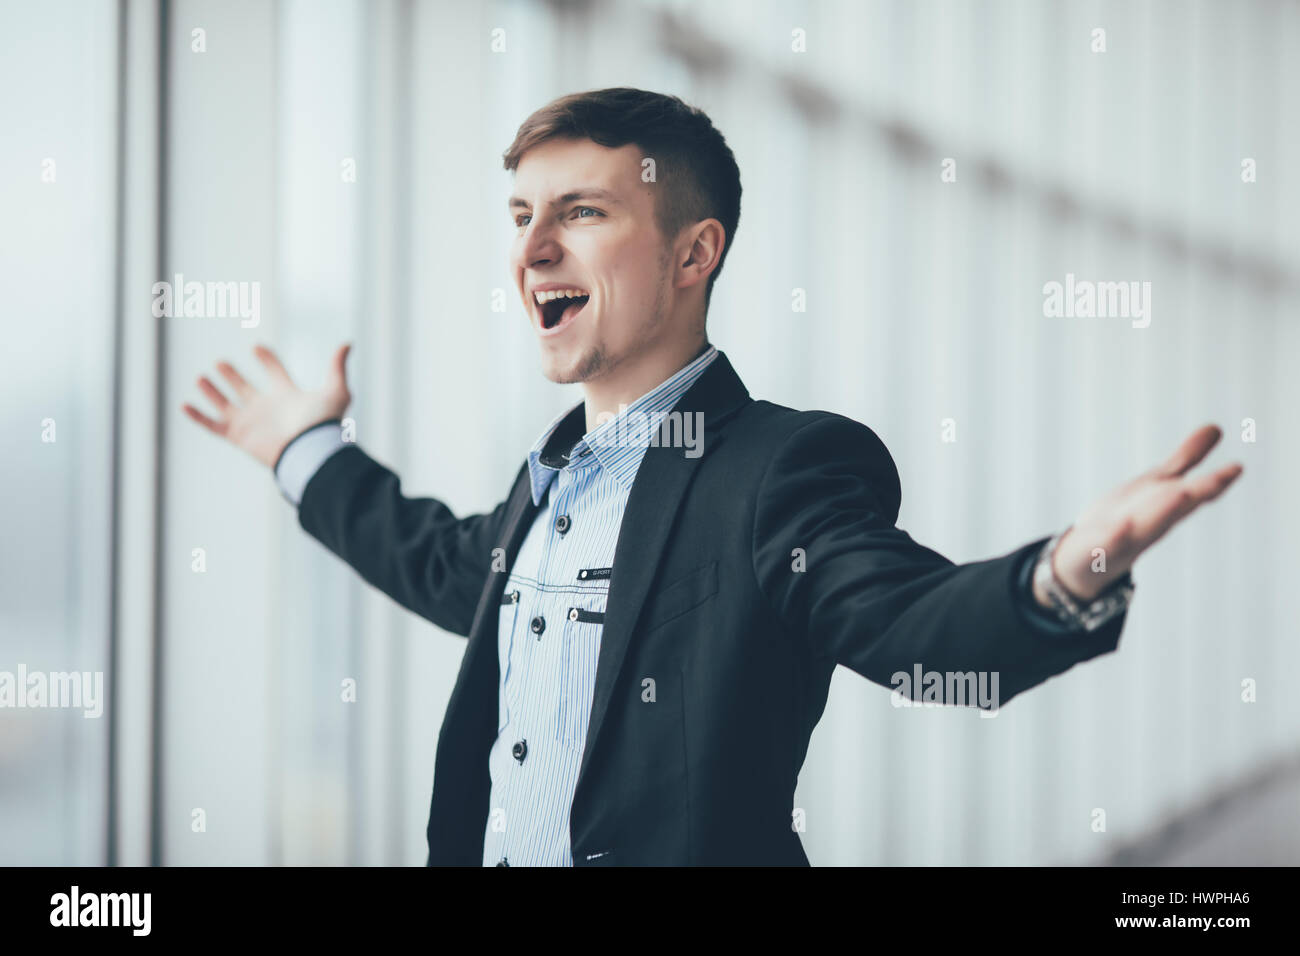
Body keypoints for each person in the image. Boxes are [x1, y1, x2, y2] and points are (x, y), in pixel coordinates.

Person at [182, 88, 1243, 866]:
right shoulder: (550, 476)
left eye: (581, 213)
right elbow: (447, 564)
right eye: (521, 216)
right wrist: (306, 450)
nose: (533, 249)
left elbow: (917, 629)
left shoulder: (779, 468)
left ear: (693, 255)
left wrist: (1068, 567)